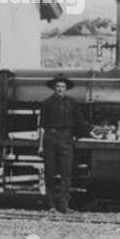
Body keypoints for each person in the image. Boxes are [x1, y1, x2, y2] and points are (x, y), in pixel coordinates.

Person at [39, 73, 90, 213]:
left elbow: (80, 122)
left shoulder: (72, 103)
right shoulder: (46, 103)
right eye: (58, 86)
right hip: (50, 138)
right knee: (49, 173)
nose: (60, 89)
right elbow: (42, 127)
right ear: (54, 88)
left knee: (66, 173)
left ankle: (63, 206)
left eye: (63, 86)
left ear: (66, 88)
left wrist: (92, 131)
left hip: (66, 139)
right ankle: (51, 205)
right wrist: (40, 146)